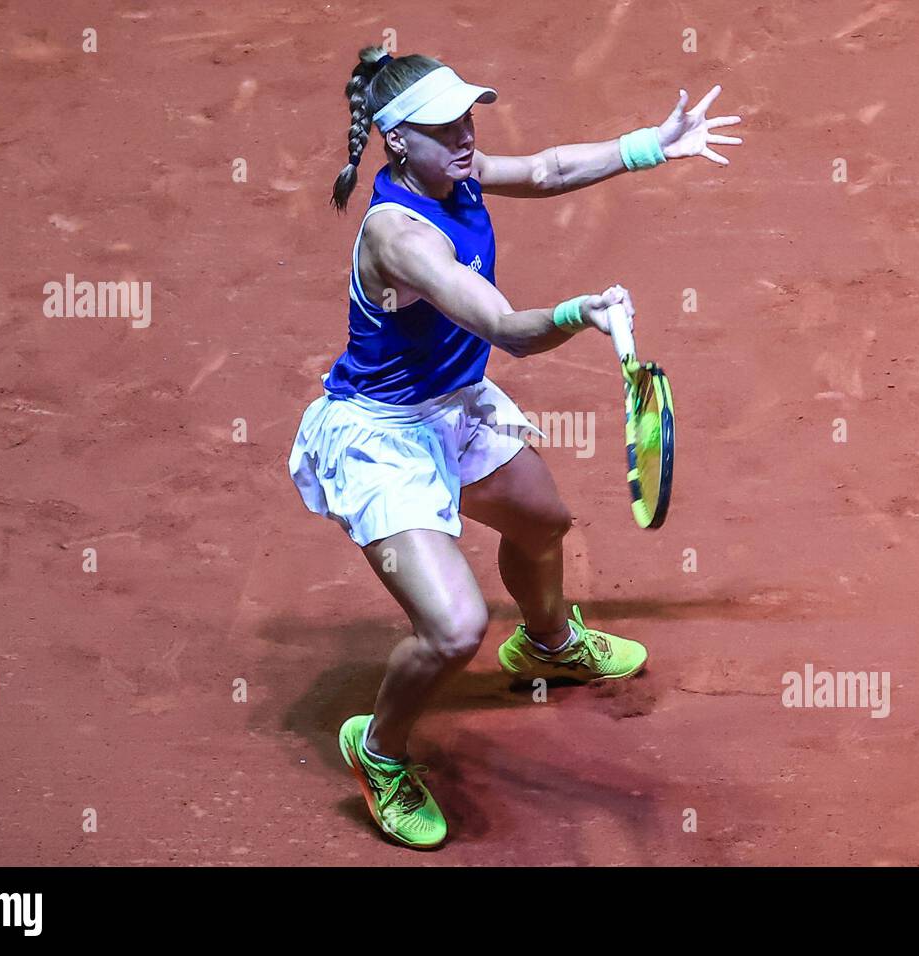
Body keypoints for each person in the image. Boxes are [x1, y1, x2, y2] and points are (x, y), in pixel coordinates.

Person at [288, 45, 741, 848]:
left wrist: (650, 145)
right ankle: (380, 749)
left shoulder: (453, 170)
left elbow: (549, 169)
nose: (465, 136)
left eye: (467, 118)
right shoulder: (400, 237)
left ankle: (546, 645)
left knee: (542, 523)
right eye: (443, 126)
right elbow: (504, 329)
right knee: (455, 631)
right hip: (381, 439)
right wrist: (582, 312)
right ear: (399, 141)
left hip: (454, 408)